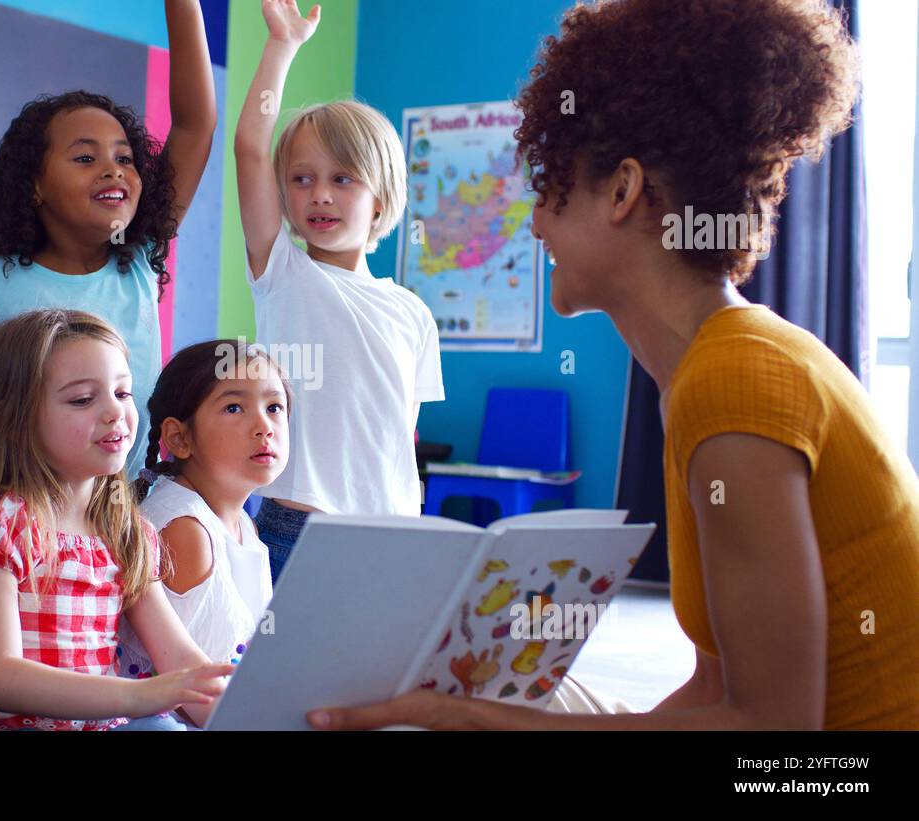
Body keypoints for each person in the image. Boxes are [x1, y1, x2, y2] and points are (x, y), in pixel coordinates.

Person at [309, 0, 919, 731]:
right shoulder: (710, 369)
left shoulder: (734, 381)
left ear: (624, 190)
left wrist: (460, 716)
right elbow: (712, 690)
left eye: (548, 189)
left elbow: (770, 738)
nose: (535, 222)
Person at [0, 0, 218, 481]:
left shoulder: (135, 259)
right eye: (84, 158)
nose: (113, 168)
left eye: (125, 157)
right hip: (27, 511)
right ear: (34, 185)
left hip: (123, 508)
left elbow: (195, 124)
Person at [0, 309, 233, 731]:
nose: (115, 412)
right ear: (16, 422)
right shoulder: (1, 523)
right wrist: (143, 695)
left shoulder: (126, 531)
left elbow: (181, 659)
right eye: (82, 399)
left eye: (123, 393)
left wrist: (243, 708)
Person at [235, 0, 444, 583]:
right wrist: (282, 46)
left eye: (342, 179)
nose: (319, 195)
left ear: (381, 197)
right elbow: (251, 148)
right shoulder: (284, 272)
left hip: (390, 535)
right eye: (302, 180)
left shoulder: (412, 312)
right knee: (295, 674)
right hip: (299, 530)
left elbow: (403, 432)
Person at [117, 340, 289, 707]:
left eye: (274, 407)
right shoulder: (184, 529)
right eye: (234, 407)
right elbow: (199, 699)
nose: (264, 426)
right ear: (179, 437)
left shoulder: (243, 523)